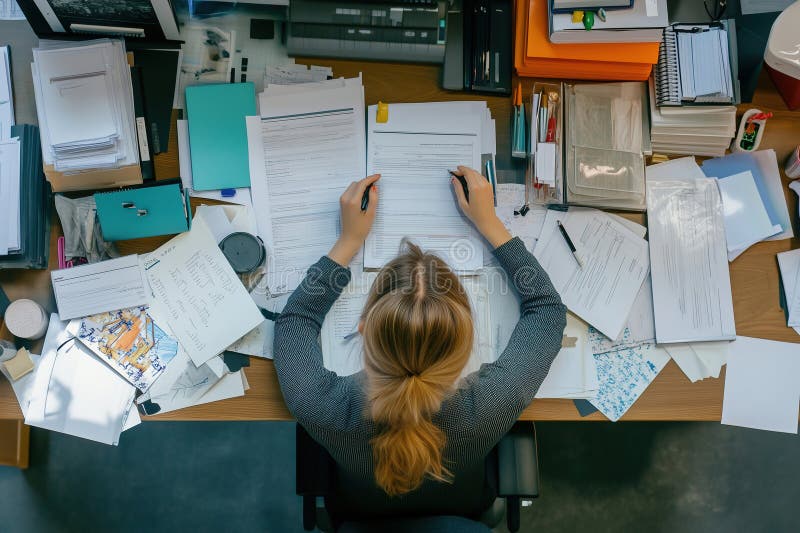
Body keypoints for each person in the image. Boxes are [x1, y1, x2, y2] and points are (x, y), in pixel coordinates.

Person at [274, 167, 566, 505]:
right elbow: (546, 309)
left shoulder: (318, 405)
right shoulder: (491, 405)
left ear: (363, 328)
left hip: (359, 504)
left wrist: (348, 241)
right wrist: (490, 224)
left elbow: (296, 318)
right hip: (462, 503)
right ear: (468, 340)